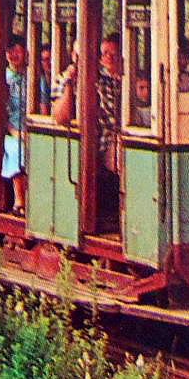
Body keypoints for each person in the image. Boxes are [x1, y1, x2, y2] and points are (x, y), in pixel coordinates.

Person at [53, 32, 123, 230]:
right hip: (82, 149)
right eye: (78, 56)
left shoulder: (107, 80)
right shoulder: (63, 79)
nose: (81, 60)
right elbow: (61, 117)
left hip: (110, 143)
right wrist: (69, 85)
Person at [1, 35, 28, 213]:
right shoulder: (2, 78)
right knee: (17, 148)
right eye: (10, 51)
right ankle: (20, 201)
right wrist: (14, 132)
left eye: (17, 51)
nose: (14, 55)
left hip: (29, 128)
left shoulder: (31, 78)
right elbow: (0, 112)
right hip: (10, 130)